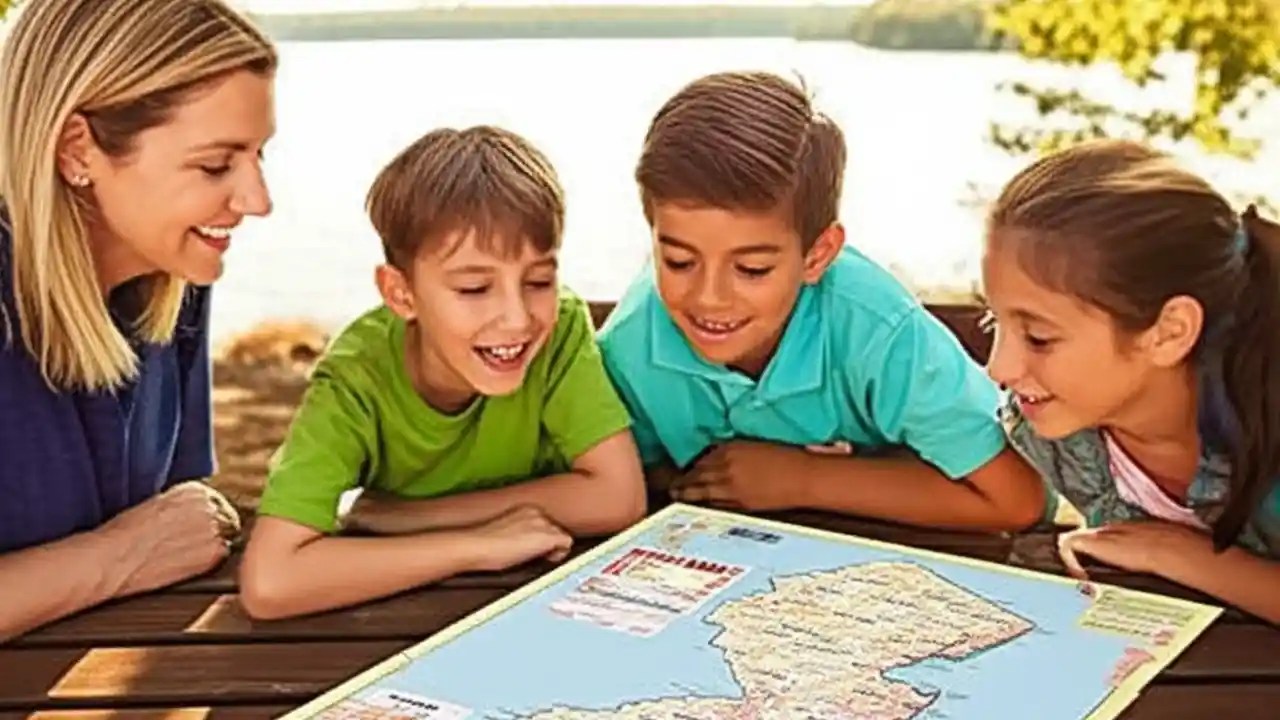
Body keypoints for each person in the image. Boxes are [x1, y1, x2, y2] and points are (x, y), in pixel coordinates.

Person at [597, 70, 1046, 531]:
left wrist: (803, 479)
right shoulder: (628, 346)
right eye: (678, 261)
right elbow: (638, 478)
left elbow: (1018, 498)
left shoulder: (879, 332)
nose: (709, 298)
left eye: (752, 270)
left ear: (818, 255)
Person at [239, 126, 646, 620]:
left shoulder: (558, 332)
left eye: (539, 280)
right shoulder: (356, 381)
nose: (518, 317)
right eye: (475, 289)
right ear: (401, 294)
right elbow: (271, 581)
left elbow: (619, 496)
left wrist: (410, 518)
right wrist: (474, 545)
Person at [0, 0, 276, 641]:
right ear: (78, 149)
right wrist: (115, 559)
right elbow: (151, 541)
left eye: (260, 155)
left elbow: (180, 522)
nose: (258, 200)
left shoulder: (173, 274)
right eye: (215, 164)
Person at [982, 139, 1280, 623]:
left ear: (1169, 332)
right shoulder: (1061, 429)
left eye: (1037, 337)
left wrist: (1189, 558)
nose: (999, 368)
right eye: (993, 322)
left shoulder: (1264, 417)